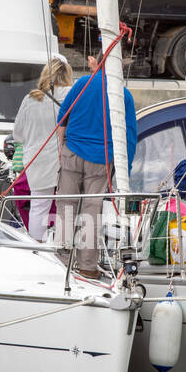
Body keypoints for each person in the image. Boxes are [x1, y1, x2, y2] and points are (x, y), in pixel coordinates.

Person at [54, 54, 137, 279]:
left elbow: (62, 117)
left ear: (97, 63)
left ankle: (61, 264)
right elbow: (129, 136)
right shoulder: (123, 95)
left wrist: (62, 149)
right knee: (91, 211)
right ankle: (87, 268)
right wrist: (125, 171)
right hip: (101, 159)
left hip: (72, 152)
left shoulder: (83, 83)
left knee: (66, 207)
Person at [11, 57, 73, 241]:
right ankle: (66, 248)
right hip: (65, 157)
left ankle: (36, 247)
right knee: (68, 205)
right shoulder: (71, 94)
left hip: (35, 160)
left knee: (39, 204)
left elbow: (18, 134)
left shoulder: (30, 98)